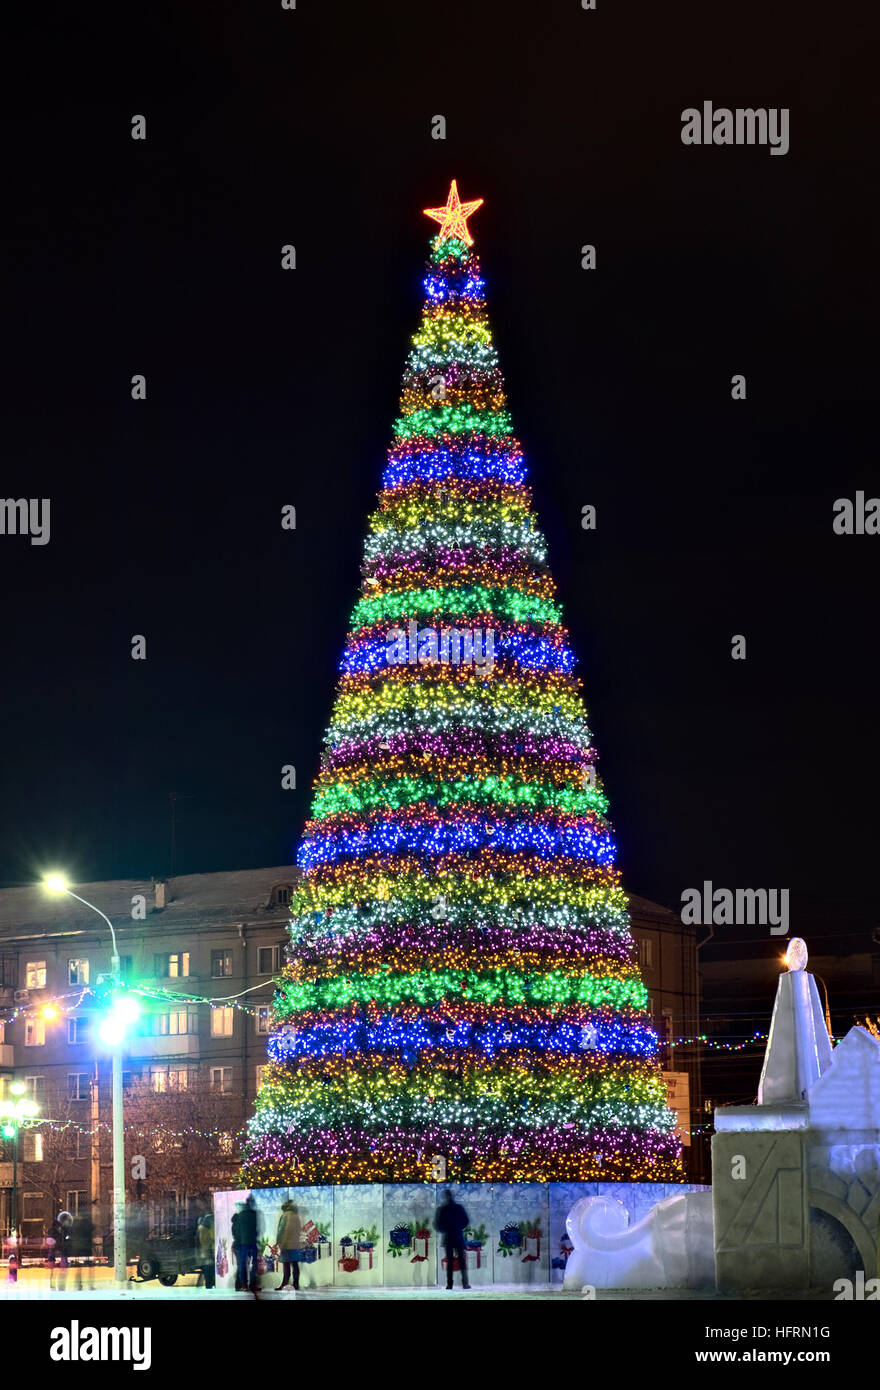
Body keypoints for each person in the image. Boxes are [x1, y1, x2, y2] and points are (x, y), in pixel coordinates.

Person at [435, 1190, 470, 1290]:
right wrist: (458, 1228)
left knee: (449, 1262)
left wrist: (446, 1229)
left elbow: (437, 1225)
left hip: (448, 1237)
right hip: (458, 1236)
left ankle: (449, 1284)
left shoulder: (442, 1209)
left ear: (444, 1197)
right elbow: (466, 1221)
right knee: (461, 1261)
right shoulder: (459, 1208)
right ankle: (465, 1283)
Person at [274, 1200, 302, 1292]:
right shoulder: (296, 1216)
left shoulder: (285, 1216)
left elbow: (282, 1230)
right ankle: (296, 1284)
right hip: (295, 1244)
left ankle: (284, 1284)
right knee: (295, 1265)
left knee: (286, 1266)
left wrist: (279, 1242)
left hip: (286, 1244)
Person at [236, 1194, 260, 1293]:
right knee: (253, 1264)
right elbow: (257, 1229)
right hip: (253, 1241)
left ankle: (244, 1284)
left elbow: (237, 1230)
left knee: (243, 1264)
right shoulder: (255, 1214)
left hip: (243, 1242)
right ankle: (253, 1284)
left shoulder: (241, 1215)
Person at [49, 1210, 73, 1290]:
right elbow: (60, 1241)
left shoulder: (59, 1230)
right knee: (60, 1271)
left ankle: (56, 1285)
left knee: (57, 1271)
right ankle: (59, 1285)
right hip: (60, 1253)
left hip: (58, 1253)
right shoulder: (60, 1230)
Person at [70, 1210, 94, 1289]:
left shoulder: (76, 1225)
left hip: (78, 1249)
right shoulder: (87, 1224)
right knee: (90, 1267)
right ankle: (90, 1284)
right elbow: (92, 1228)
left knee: (78, 1267)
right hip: (87, 1248)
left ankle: (78, 1284)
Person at [196, 1211, 215, 1288]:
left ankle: (208, 1284)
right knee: (208, 1271)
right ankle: (209, 1285)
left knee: (207, 1271)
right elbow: (207, 1241)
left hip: (203, 1253)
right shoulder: (204, 1229)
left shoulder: (201, 1228)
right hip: (207, 1252)